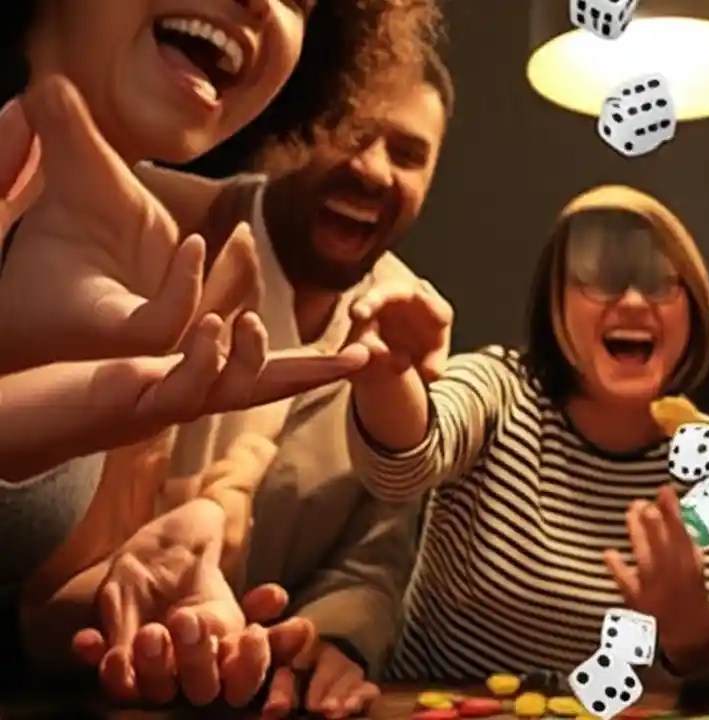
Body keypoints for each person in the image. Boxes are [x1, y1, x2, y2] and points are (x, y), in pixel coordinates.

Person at [0, 0, 438, 703]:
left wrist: (150, 599)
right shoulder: (182, 237)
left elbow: (39, 602)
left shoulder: (144, 257)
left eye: (301, 2)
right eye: (352, 134)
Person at [345, 185, 709, 683]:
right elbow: (403, 467)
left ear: (693, 308)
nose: (634, 300)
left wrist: (687, 626)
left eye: (660, 281)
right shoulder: (499, 390)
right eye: (599, 276)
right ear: (554, 305)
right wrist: (387, 373)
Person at [136, 44, 452, 716]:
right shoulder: (157, 229)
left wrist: (332, 641)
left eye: (408, 154)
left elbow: (375, 554)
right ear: (291, 125)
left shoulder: (410, 326)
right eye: (349, 132)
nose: (373, 170)